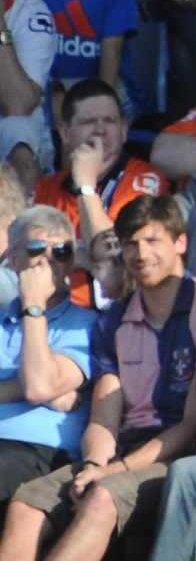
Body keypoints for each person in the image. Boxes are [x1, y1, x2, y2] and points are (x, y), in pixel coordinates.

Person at [0, 194, 196, 561]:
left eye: (152, 241)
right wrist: (94, 464)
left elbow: (191, 429)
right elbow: (105, 416)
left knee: (103, 496)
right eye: (131, 244)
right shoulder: (116, 320)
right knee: (26, 505)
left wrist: (115, 470)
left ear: (181, 242)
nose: (141, 254)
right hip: (121, 446)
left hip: (171, 451)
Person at [0, 208, 91, 505]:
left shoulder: (87, 324)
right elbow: (42, 390)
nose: (49, 259)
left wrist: (34, 306)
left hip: (39, 451)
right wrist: (42, 393)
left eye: (62, 251)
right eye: (37, 249)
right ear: (14, 259)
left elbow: (38, 386)